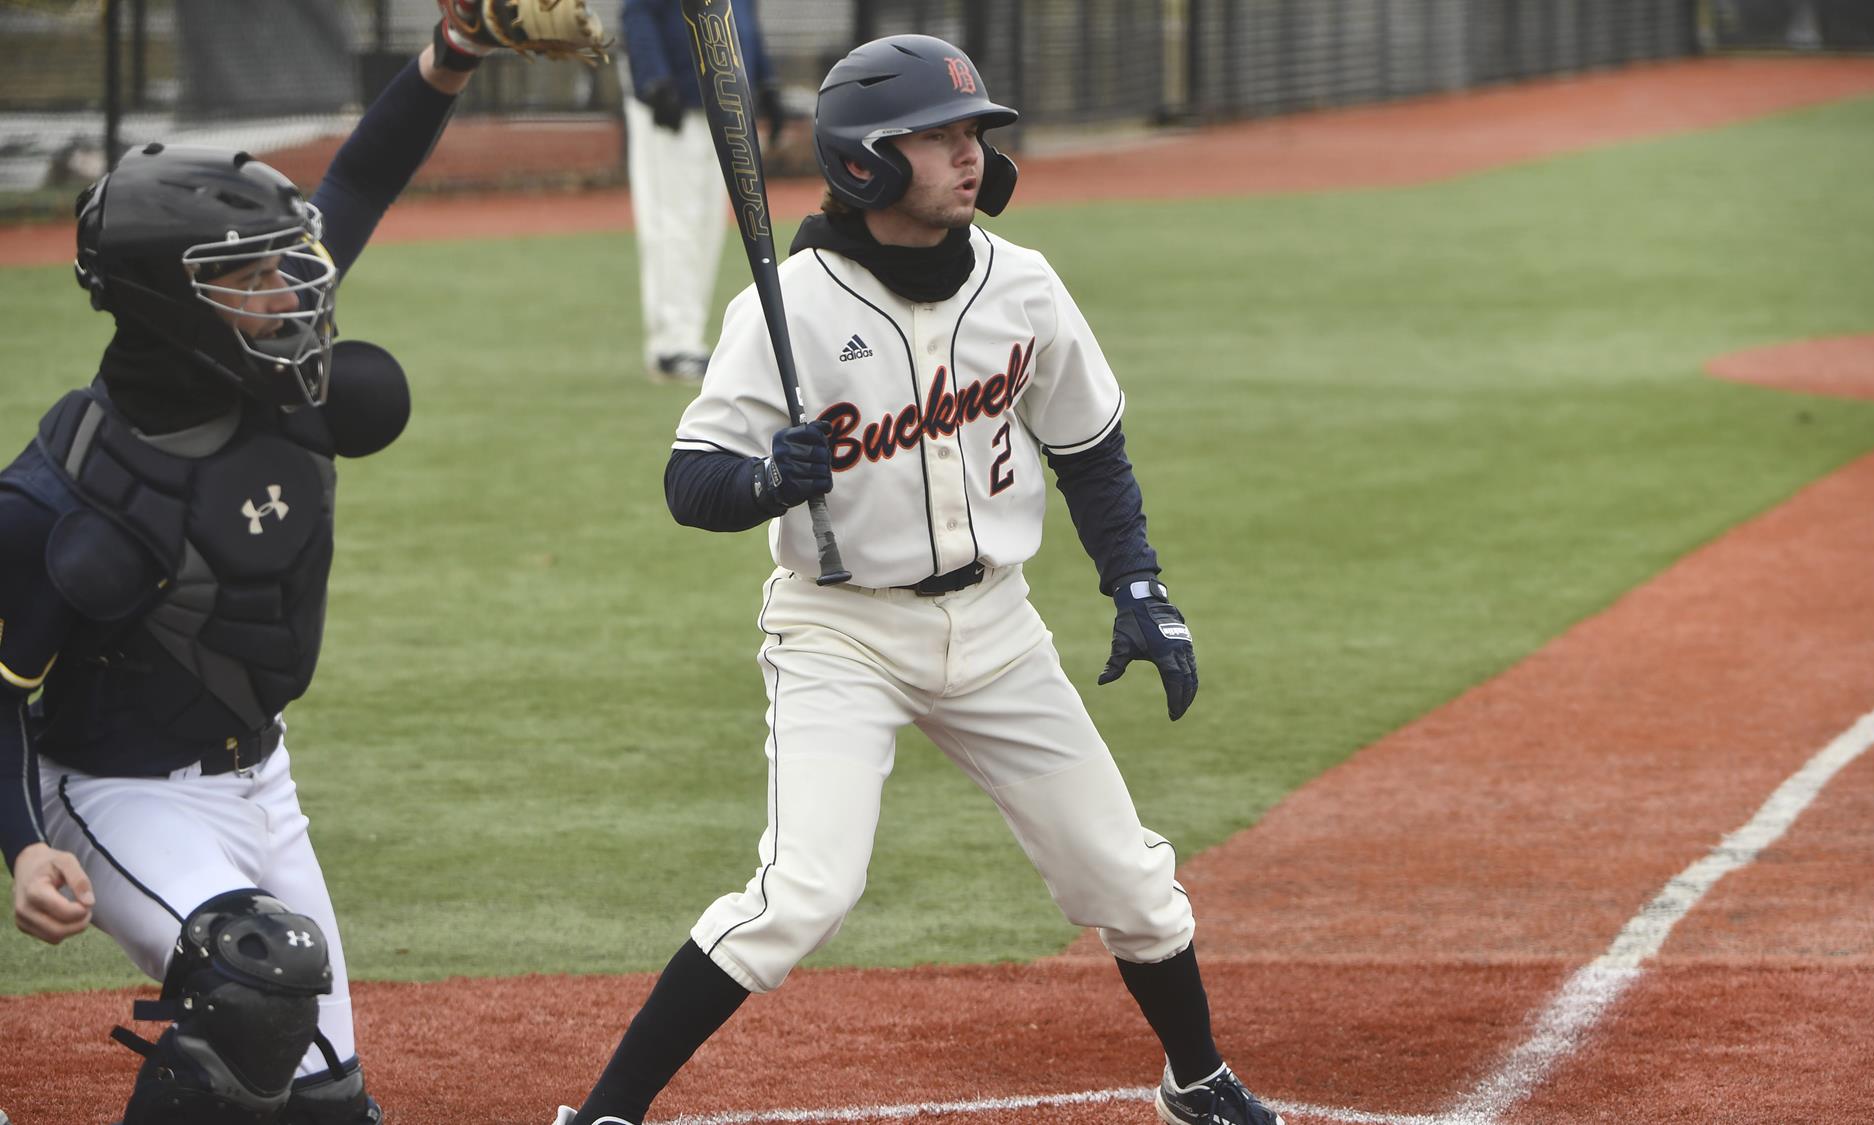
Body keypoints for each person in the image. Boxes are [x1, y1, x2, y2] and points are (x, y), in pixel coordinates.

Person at [554, 34, 1284, 1125]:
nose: (969, 156)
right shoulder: (786, 305)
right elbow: (687, 481)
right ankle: (603, 1113)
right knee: (800, 894)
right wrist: (763, 479)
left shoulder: (1021, 284)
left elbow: (1089, 447)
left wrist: (1136, 583)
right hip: (840, 634)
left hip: (996, 629)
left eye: (975, 135)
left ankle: (1196, 1079)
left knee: (1127, 881)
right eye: (938, 139)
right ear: (864, 163)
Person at [0, 4, 545, 1121]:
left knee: (328, 1101)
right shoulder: (55, 493)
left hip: (263, 781)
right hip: (115, 792)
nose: (293, 294)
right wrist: (17, 848)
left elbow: (359, 182)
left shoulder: (263, 358)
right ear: (170, 303)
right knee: (253, 987)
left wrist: (453, 54)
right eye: (254, 279)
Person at [620, 0, 781, 383]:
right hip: (672, 101)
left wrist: (766, 81)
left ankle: (688, 339)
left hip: (724, 101)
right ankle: (671, 345)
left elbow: (743, 20)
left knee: (709, 225)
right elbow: (638, 13)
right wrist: (653, 81)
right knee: (671, 221)